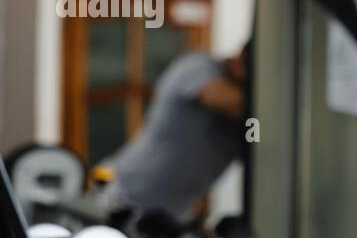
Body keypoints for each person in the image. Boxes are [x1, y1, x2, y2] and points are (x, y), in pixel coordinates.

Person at [91, 44, 248, 224]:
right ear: (238, 63)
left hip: (170, 214)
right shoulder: (198, 67)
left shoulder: (246, 120)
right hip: (119, 191)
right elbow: (225, 99)